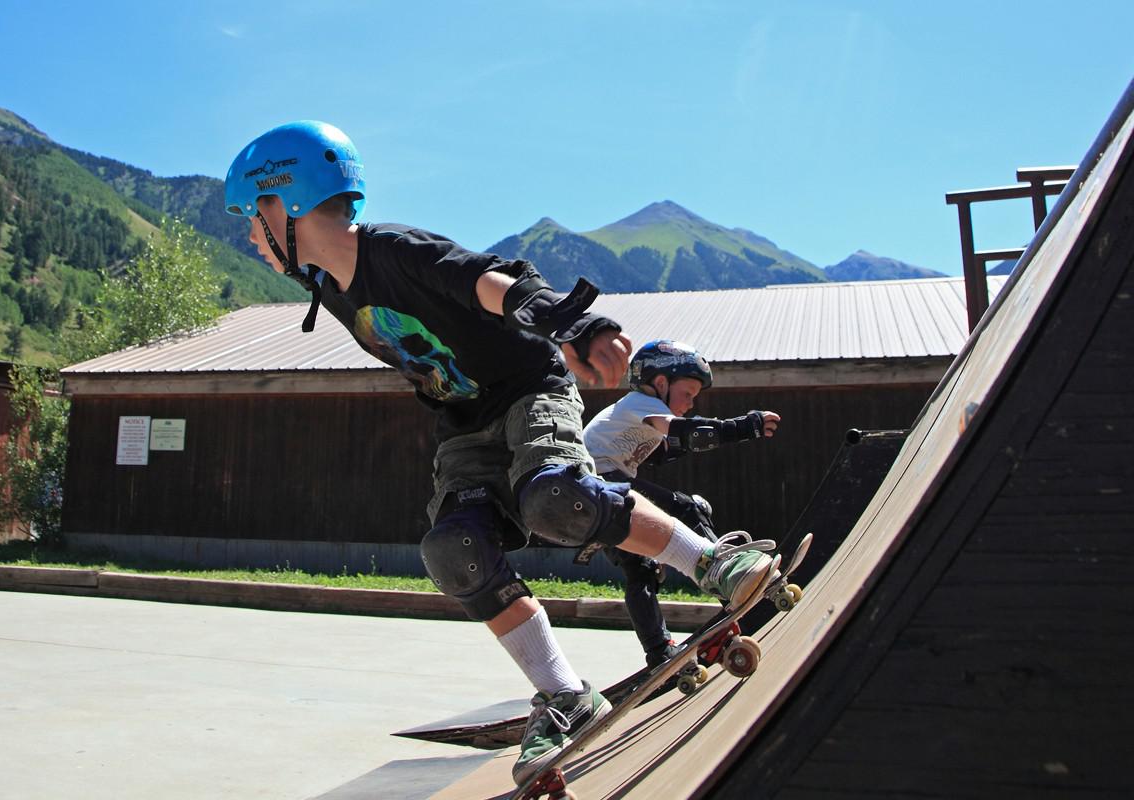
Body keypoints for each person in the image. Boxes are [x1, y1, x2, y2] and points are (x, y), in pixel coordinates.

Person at [223, 121, 783, 784]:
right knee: (452, 551)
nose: (248, 239)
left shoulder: (392, 252)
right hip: (463, 429)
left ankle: (712, 560)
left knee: (555, 498)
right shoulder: (332, 289)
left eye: (248, 219)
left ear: (282, 201)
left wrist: (567, 321)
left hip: (528, 388)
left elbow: (487, 282)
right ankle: (568, 698)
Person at [582, 339, 781, 668]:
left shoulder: (636, 416)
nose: (690, 403)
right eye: (687, 393)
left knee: (641, 571)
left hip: (592, 501)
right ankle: (731, 574)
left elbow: (670, 447)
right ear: (660, 383)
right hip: (601, 485)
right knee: (690, 508)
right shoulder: (638, 403)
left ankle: (660, 652)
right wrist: (745, 427)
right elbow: (691, 433)